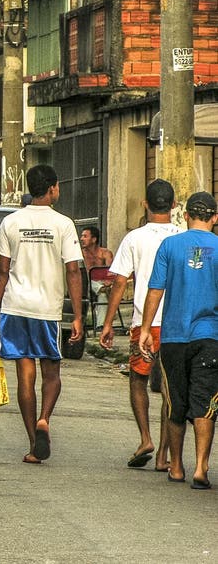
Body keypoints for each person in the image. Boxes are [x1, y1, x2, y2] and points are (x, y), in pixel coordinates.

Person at [0, 163, 83, 465]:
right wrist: (77, 314)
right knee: (51, 372)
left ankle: (32, 445)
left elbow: (1, 272)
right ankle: (44, 419)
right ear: (52, 188)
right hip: (47, 311)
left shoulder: (11, 222)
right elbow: (73, 270)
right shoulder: (63, 224)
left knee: (25, 375)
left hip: (15, 309)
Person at [99, 179, 181, 471]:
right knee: (171, 391)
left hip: (142, 326)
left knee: (138, 380)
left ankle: (145, 438)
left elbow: (119, 281)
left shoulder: (134, 238)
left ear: (145, 204)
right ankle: (162, 455)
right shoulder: (183, 237)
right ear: (174, 205)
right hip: (175, 325)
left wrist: (108, 323)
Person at [140, 191, 218, 490]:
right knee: (204, 403)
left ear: (185, 216)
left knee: (175, 401)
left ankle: (175, 466)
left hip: (173, 336)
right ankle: (201, 467)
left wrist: (146, 329)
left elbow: (156, 289)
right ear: (215, 217)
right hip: (210, 337)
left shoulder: (169, 245)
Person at [80, 225, 114, 329]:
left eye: (85, 236)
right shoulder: (80, 254)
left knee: (103, 295)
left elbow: (111, 272)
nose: (81, 239)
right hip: (86, 285)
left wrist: (108, 282)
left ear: (94, 239)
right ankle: (101, 289)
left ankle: (100, 325)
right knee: (91, 282)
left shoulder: (105, 253)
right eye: (82, 236)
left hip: (103, 284)